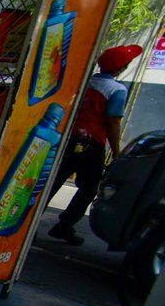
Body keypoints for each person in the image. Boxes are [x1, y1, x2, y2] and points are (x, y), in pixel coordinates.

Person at [45, 44, 142, 245]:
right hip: (92, 144)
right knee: (89, 188)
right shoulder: (116, 90)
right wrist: (116, 152)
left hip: (68, 138)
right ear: (121, 68)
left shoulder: (84, 82)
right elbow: (113, 122)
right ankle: (64, 225)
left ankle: (26, 221)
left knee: (52, 181)